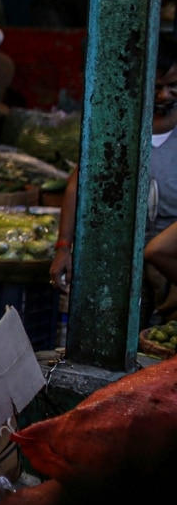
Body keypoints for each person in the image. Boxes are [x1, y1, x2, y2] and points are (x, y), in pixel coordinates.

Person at [53, 38, 177, 326]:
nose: (164, 95)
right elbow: (78, 184)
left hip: (167, 263)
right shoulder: (119, 124)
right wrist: (63, 246)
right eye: (156, 87)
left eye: (173, 86)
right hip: (118, 256)